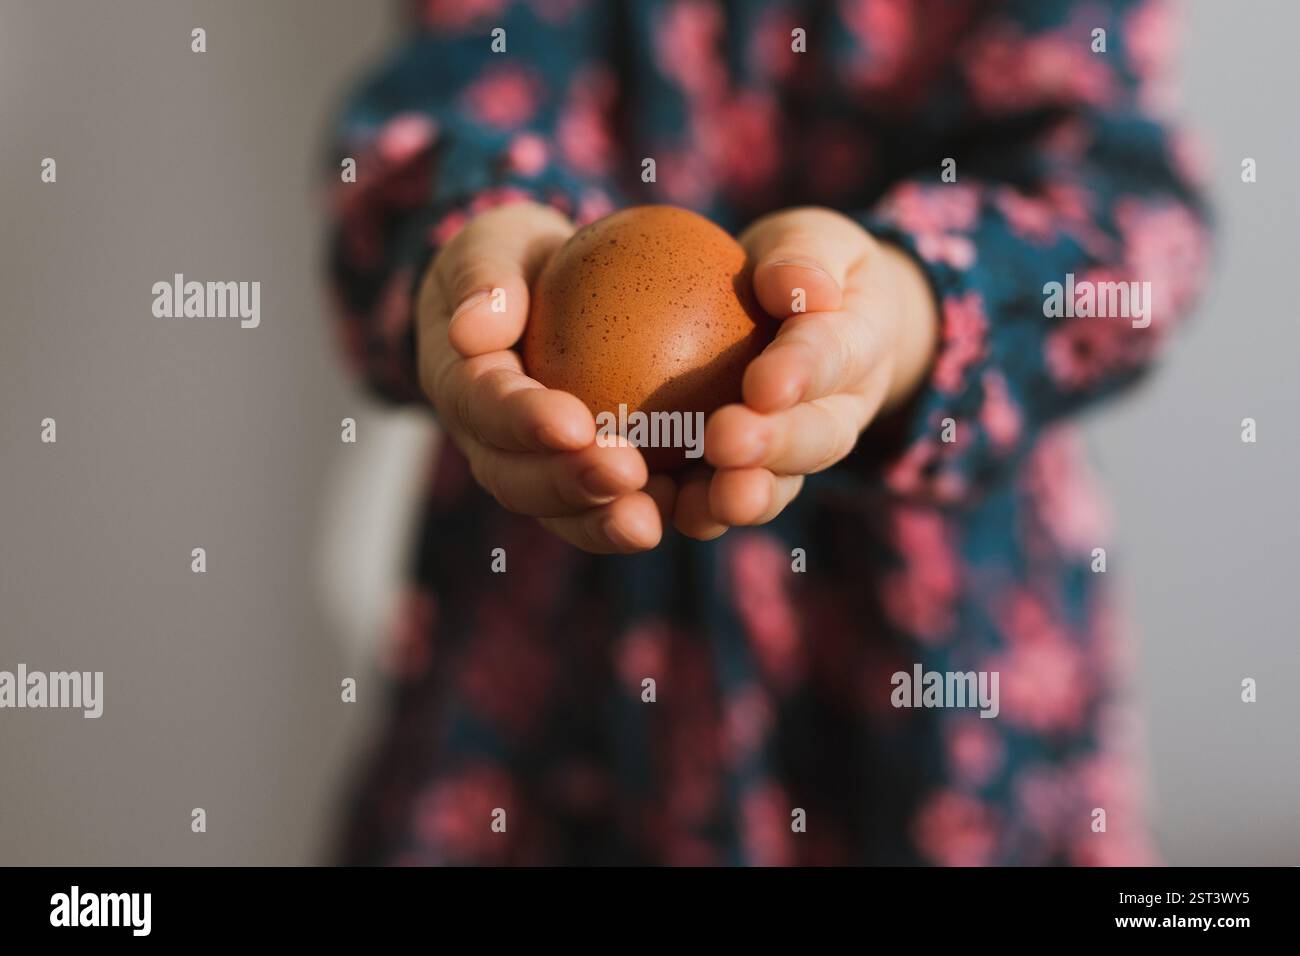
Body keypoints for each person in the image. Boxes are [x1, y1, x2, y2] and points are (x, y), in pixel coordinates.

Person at [324, 0, 1210, 865]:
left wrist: (915, 307)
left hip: (940, 667)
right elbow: (443, 108)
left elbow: (1123, 201)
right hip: (550, 645)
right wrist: (474, 235)